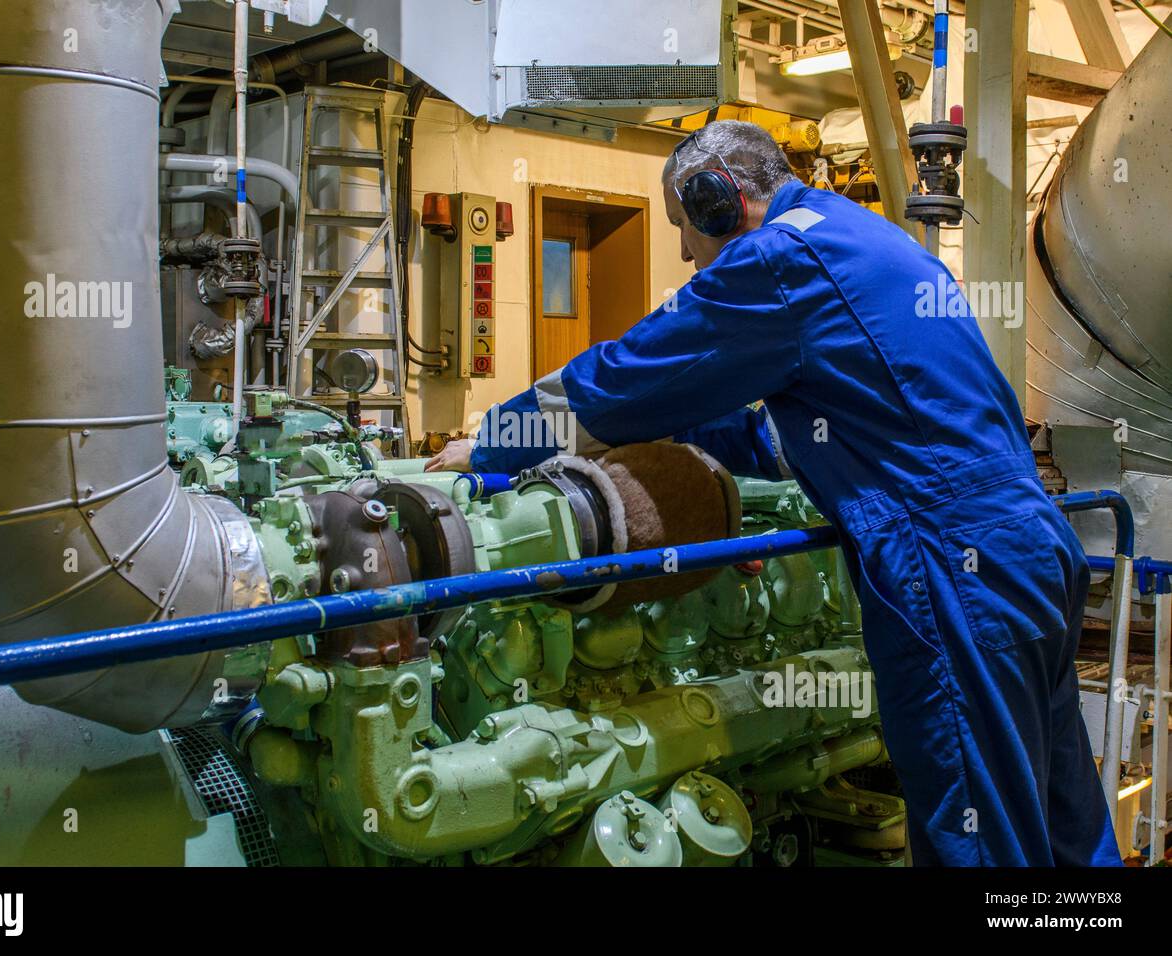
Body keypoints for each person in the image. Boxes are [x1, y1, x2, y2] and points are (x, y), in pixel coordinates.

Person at [426, 121, 1121, 867]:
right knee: (1063, 823)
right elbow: (786, 440)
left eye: (682, 229)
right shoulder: (866, 240)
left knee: (980, 839)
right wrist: (672, 444)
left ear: (716, 199)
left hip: (953, 564)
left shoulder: (778, 262)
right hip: (1033, 550)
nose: (687, 257)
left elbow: (626, 377)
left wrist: (497, 441)